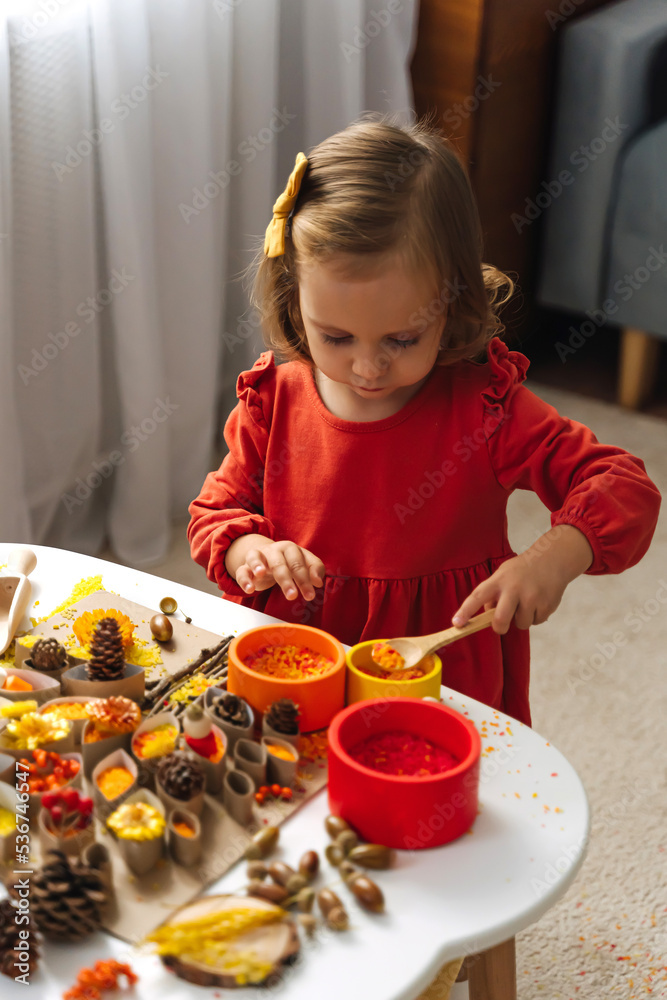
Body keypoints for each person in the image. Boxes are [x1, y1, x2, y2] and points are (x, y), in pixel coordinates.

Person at [187, 117, 661, 726]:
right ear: (293, 297)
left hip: (442, 670)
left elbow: (624, 486)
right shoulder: (272, 401)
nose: (366, 366)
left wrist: (553, 557)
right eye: (335, 336)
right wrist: (248, 549)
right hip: (295, 662)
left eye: (402, 338)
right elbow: (213, 513)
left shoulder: (487, 409)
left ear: (454, 301)